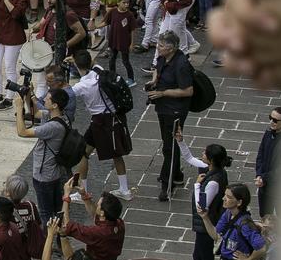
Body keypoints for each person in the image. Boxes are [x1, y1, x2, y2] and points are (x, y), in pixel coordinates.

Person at [175, 126, 232, 260]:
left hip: (207, 228)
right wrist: (181, 141)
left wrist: (197, 184)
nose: (202, 155)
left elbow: (203, 206)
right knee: (197, 258)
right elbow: (190, 159)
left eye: (205, 154)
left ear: (212, 159)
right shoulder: (213, 170)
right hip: (202, 227)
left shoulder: (214, 180)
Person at [68, 50, 132, 200]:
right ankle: (124, 189)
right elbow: (93, 64)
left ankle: (83, 191)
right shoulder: (100, 71)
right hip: (113, 118)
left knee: (83, 153)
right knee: (116, 154)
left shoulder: (82, 85)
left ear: (76, 66)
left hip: (100, 122)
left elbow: (66, 94)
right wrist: (77, 60)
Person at [145, 31, 195, 202]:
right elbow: (156, 70)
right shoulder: (162, 58)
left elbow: (188, 90)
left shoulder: (181, 65)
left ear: (171, 48)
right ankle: (177, 174)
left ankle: (167, 185)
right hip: (163, 107)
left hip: (175, 110)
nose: (157, 48)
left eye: (161, 46)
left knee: (170, 147)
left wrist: (163, 92)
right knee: (168, 142)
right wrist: (154, 82)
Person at [13, 87, 71, 224]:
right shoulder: (62, 117)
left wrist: (18, 108)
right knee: (57, 209)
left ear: (55, 105)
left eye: (48, 98)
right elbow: (38, 112)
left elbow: (22, 132)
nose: (44, 98)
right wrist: (29, 96)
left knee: (45, 214)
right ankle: (59, 239)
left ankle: (48, 241)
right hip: (55, 172)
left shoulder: (52, 127)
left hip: (44, 176)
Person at [254, 106, 281, 217]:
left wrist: (264, 177)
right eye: (270, 117)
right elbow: (260, 155)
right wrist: (259, 175)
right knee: (264, 216)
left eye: (275, 120)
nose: (271, 122)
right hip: (264, 185)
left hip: (279, 188)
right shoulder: (268, 133)